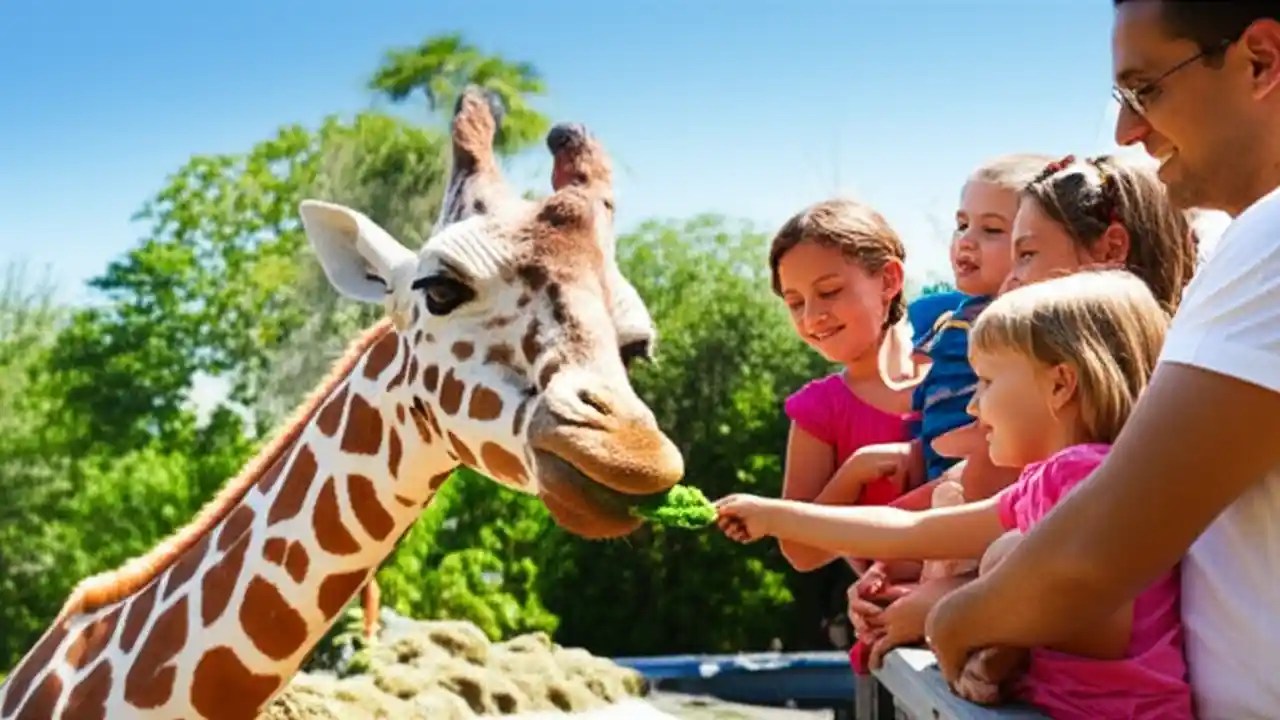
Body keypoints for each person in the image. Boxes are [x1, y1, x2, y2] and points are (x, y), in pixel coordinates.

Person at [923, 4, 1280, 718]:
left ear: (1262, 61)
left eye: (1146, 89)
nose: (1127, 131)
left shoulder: (1270, 241)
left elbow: (1092, 558)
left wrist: (951, 623)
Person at [716, 270, 1193, 718]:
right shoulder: (1052, 481)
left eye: (986, 382)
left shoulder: (1087, 476)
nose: (972, 405)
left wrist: (969, 619)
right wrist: (774, 515)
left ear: (1060, 383)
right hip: (1074, 707)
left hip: (1120, 711)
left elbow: (1102, 622)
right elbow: (914, 530)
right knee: (1005, 555)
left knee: (1007, 553)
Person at [765, 198, 918, 646]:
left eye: (829, 291)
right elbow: (800, 551)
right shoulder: (818, 411)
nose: (812, 317)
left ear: (888, 279)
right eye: (795, 303)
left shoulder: (959, 370)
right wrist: (853, 474)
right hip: (893, 632)